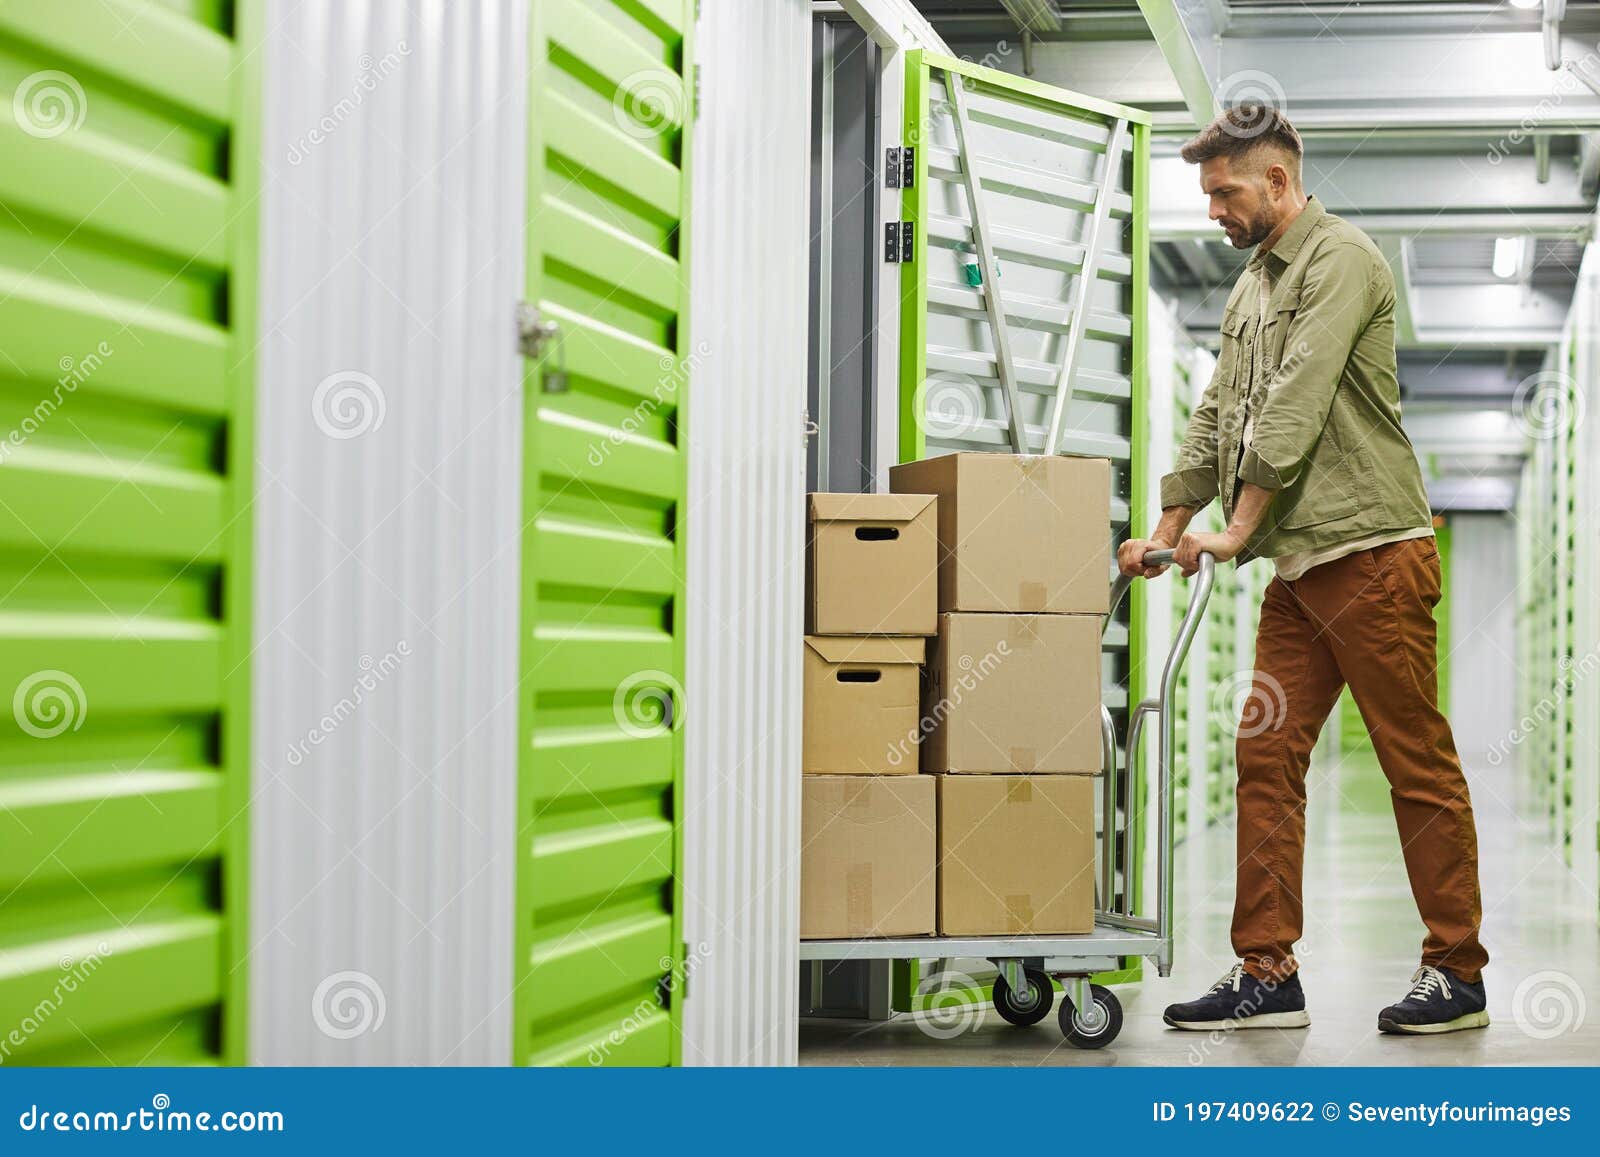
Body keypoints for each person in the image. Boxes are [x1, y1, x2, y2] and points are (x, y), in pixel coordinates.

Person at [1118, 105, 1489, 1036]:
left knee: (1415, 762)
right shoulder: (1250, 287)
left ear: (1277, 182)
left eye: (1223, 192)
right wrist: (1165, 531)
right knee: (1265, 752)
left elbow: (1295, 406)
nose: (1212, 210)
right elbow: (1218, 419)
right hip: (1299, 571)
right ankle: (1267, 970)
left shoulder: (1345, 262)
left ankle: (1457, 968)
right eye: (1205, 195)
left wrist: (1235, 533)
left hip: (1374, 556)